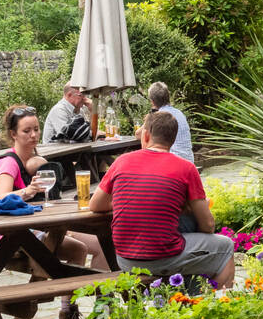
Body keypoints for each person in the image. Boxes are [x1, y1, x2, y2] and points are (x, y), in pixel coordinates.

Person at [0, 104, 108, 319]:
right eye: (27, 131)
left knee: (102, 243)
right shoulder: (8, 162)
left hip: (40, 225)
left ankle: (103, 308)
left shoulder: (35, 159)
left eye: (36, 129)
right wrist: (27, 191)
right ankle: (67, 314)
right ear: (13, 134)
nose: (34, 135)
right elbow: (1, 197)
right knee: (77, 249)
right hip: (13, 234)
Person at [88, 110, 235, 288]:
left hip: (124, 259)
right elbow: (208, 225)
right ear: (172, 140)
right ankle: (208, 303)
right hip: (164, 257)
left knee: (183, 232)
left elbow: (95, 205)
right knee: (226, 247)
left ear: (146, 135)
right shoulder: (186, 168)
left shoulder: (121, 161)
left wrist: (128, 199)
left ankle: (186, 296)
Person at [147, 82, 194, 163]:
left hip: (174, 161)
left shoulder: (160, 116)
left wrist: (150, 116)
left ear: (152, 102)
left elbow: (140, 134)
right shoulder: (179, 113)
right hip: (189, 160)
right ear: (168, 97)